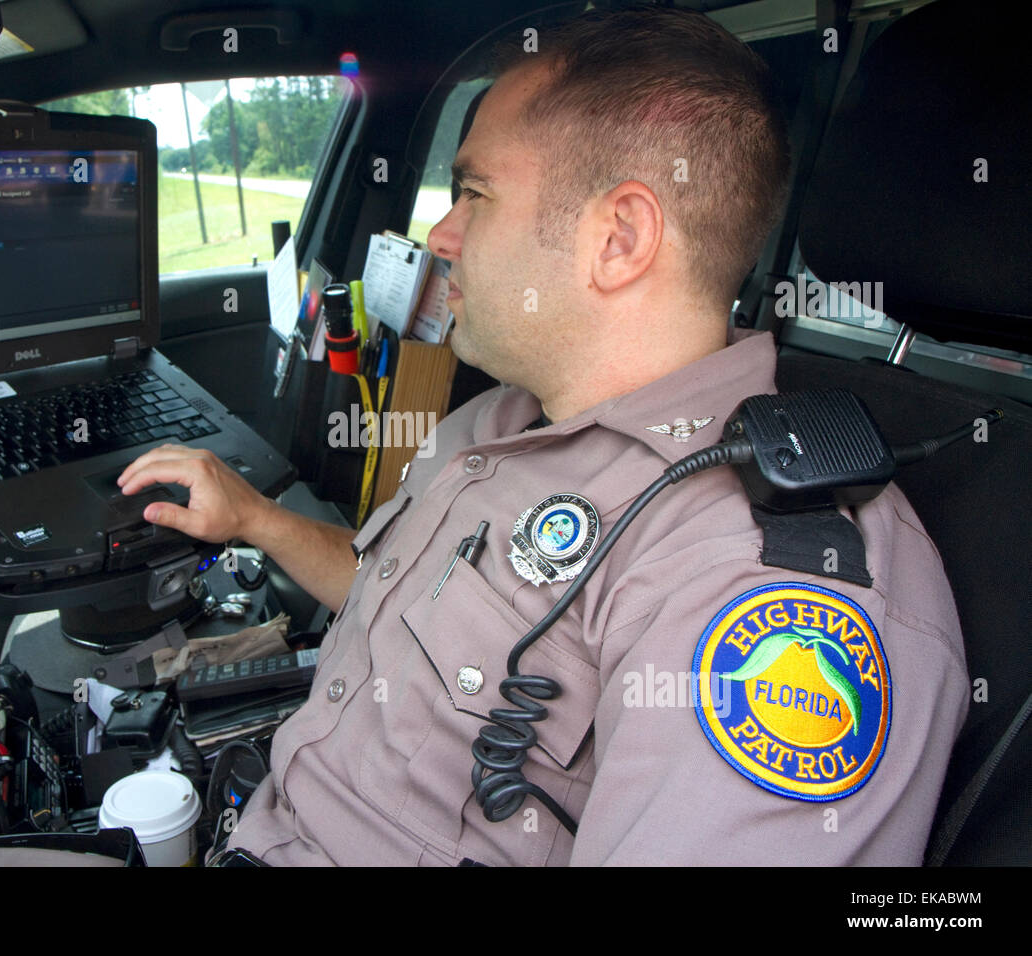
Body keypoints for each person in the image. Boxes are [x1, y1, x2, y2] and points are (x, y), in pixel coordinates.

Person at [117, 6, 968, 865]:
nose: (439, 238)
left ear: (619, 239)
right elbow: (395, 591)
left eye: (474, 194)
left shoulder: (767, 585)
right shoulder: (497, 419)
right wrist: (258, 519)